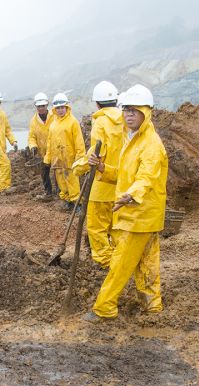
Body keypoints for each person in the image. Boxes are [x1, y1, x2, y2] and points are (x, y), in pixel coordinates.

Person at [84, 84, 168, 322]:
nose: (129, 115)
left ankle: (105, 307)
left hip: (139, 214)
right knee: (147, 261)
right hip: (141, 213)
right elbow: (124, 173)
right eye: (126, 110)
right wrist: (103, 168)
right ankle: (152, 305)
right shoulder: (132, 139)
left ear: (146, 112)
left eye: (134, 110)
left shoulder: (151, 144)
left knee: (120, 264)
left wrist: (131, 194)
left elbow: (146, 177)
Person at [72, 81, 124, 268]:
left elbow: (96, 154)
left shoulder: (101, 122)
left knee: (97, 229)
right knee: (116, 228)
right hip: (122, 186)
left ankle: (107, 264)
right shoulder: (126, 120)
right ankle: (121, 261)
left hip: (101, 189)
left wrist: (78, 167)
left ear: (97, 103)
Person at [44, 93, 85, 210]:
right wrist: (48, 158)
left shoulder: (73, 122)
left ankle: (77, 203)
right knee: (61, 182)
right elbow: (49, 142)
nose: (60, 110)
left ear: (67, 107)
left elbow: (79, 141)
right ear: (54, 109)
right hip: (57, 160)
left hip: (70, 159)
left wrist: (80, 157)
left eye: (62, 107)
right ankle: (67, 201)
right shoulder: (53, 124)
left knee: (72, 182)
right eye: (58, 108)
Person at [27, 92, 55, 198]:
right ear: (36, 106)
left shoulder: (55, 116)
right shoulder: (33, 121)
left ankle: (61, 192)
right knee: (44, 173)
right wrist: (33, 146)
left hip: (55, 150)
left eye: (43, 106)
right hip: (43, 153)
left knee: (59, 172)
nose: (41, 108)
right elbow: (31, 137)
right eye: (39, 106)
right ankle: (48, 193)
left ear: (47, 105)